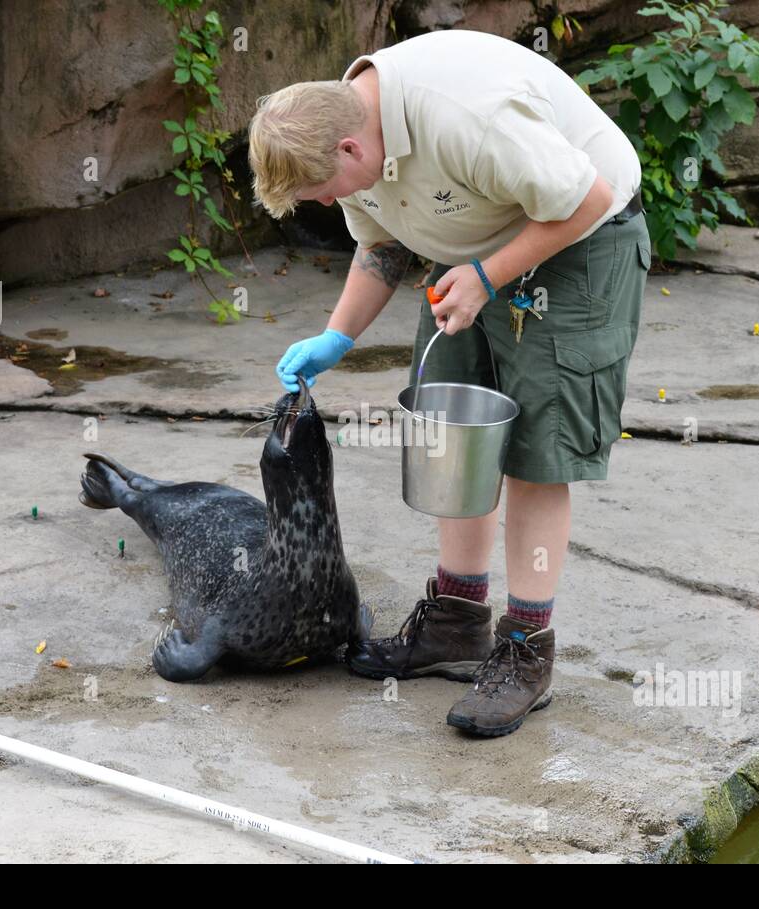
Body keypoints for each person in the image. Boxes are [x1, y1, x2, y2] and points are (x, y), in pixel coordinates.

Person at [247, 29, 647, 738]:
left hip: (580, 240)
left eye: (318, 193)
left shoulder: (465, 116)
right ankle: (458, 621)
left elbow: (590, 196)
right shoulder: (351, 128)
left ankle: (527, 650)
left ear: (352, 150)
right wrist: (338, 337)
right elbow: (381, 242)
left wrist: (490, 277)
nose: (320, 205)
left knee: (535, 454)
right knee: (451, 433)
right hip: (475, 249)